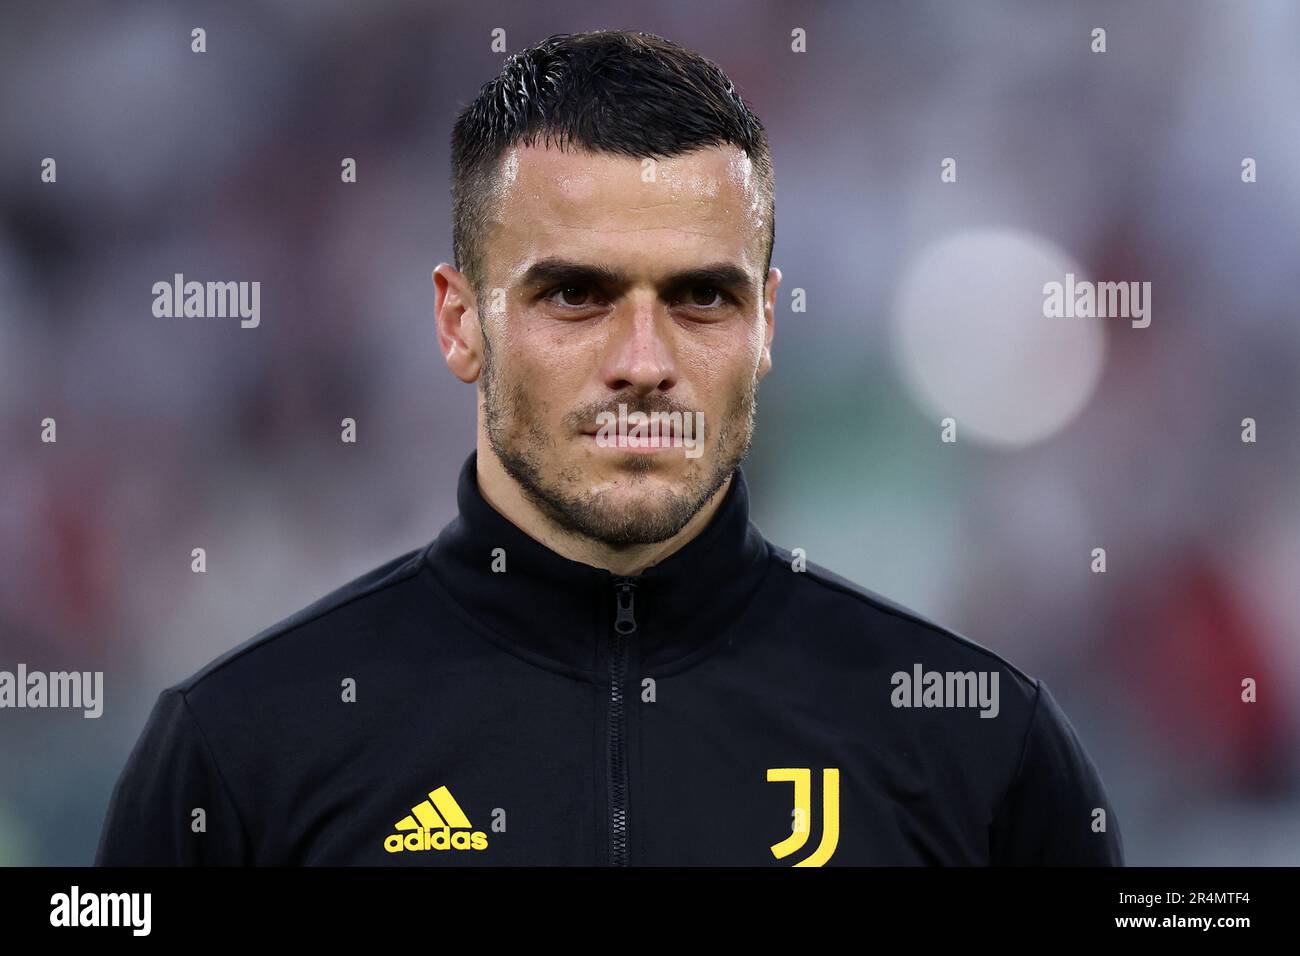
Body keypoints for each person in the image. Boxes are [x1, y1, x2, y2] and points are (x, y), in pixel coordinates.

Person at [96, 29, 1123, 866]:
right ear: (460, 323)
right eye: (575, 294)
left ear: (765, 325)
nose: (643, 359)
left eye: (701, 297)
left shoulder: (978, 748)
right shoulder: (242, 751)